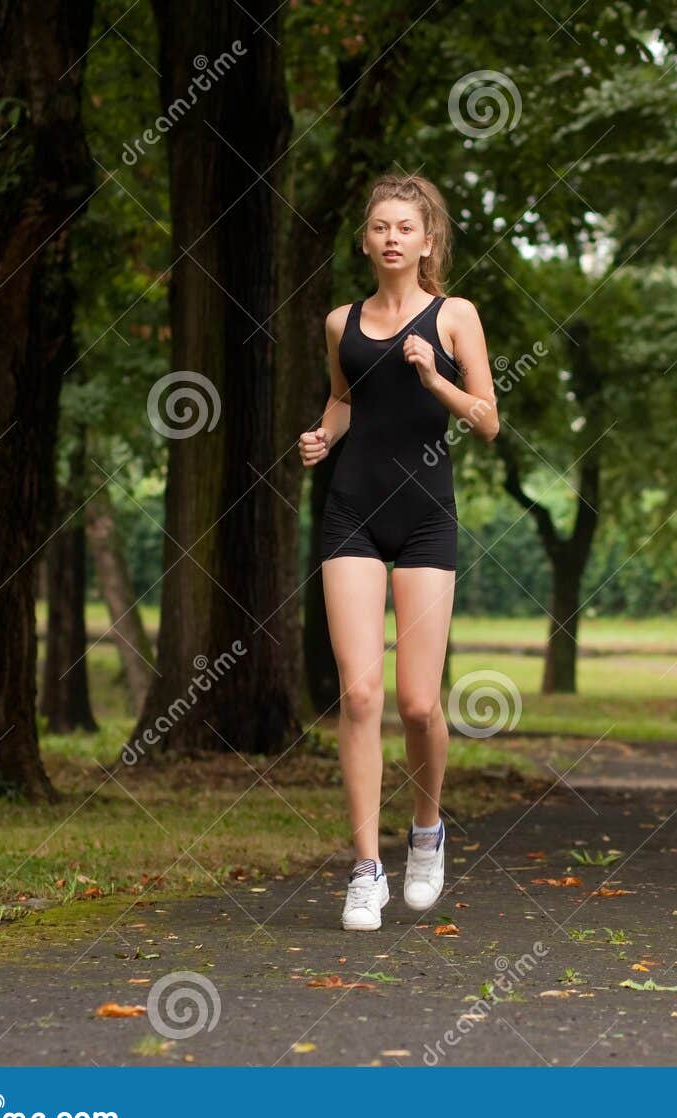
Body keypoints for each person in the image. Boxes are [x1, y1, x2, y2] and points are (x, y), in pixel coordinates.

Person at [298, 173, 499, 931]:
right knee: (358, 695)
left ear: (427, 240)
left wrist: (432, 374)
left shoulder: (455, 317)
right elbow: (346, 399)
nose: (391, 238)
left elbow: (487, 421)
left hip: (425, 521)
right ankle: (363, 867)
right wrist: (324, 434)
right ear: (366, 239)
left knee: (417, 702)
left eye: (404, 227)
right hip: (351, 511)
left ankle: (425, 830)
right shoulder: (339, 321)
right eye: (379, 226)